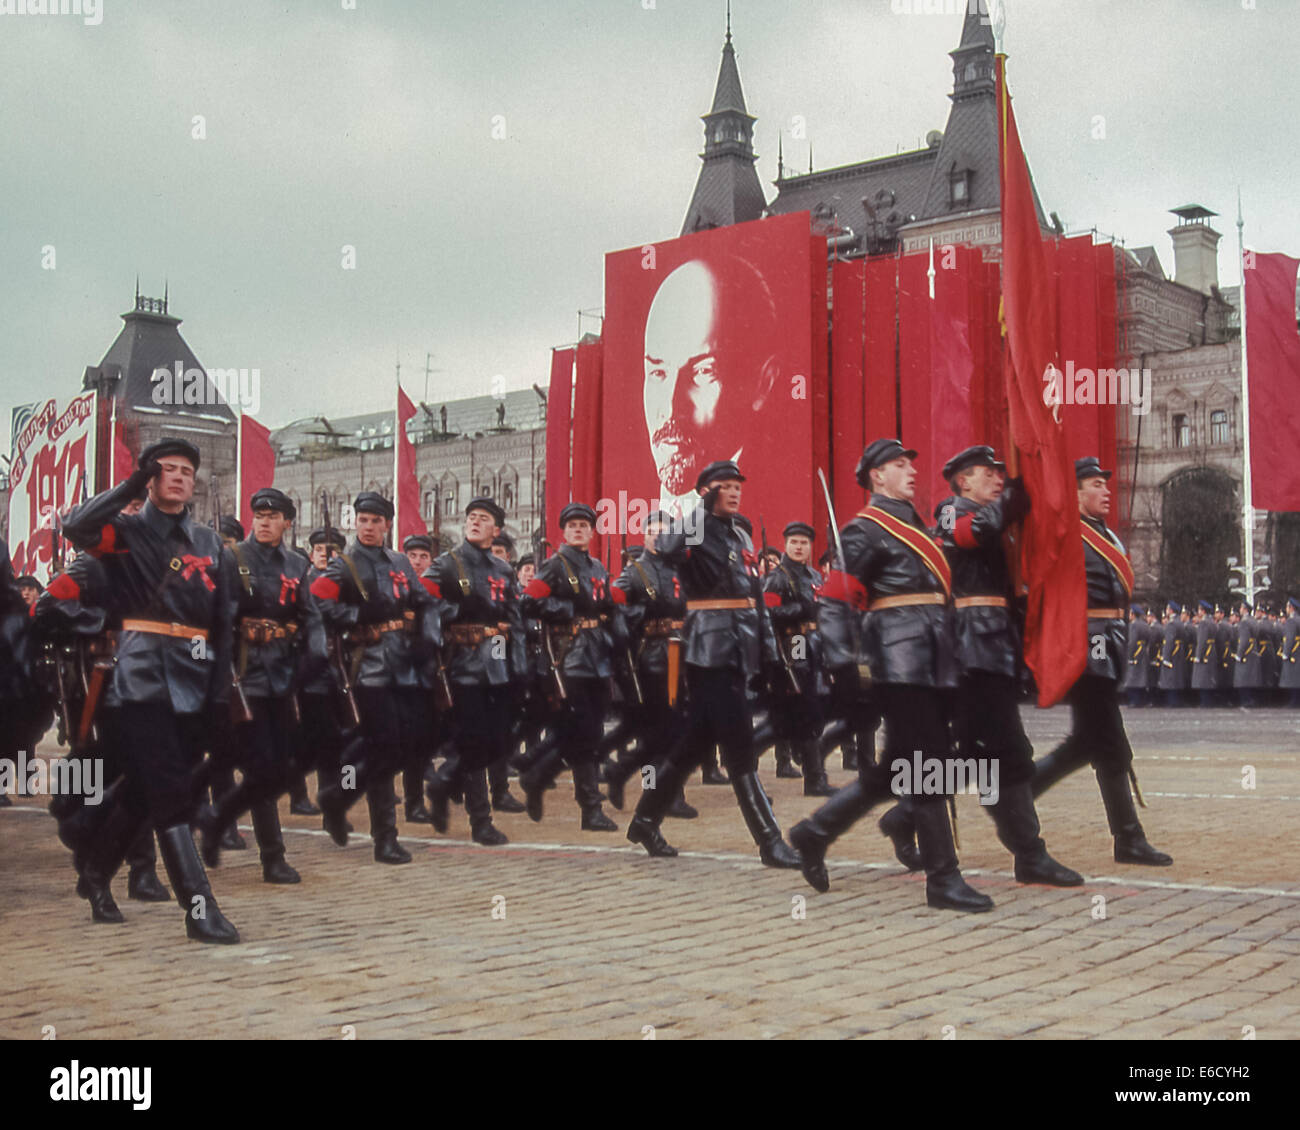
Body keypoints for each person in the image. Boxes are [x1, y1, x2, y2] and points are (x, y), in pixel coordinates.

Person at [871, 446, 1082, 888]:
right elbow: (972, 534)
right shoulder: (952, 512)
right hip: (970, 651)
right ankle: (1029, 854)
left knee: (974, 756)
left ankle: (905, 815)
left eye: (1000, 475)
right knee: (1007, 751)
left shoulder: (1001, 524)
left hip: (992, 648)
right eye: (988, 474)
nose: (998, 480)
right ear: (963, 481)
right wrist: (1013, 500)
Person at [60, 438, 241, 943]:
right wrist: (128, 487)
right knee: (169, 791)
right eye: (167, 470)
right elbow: (75, 526)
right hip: (140, 679)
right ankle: (199, 908)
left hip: (195, 678)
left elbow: (224, 623)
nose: (178, 477)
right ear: (151, 479)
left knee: (143, 794)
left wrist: (221, 689)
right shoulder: (125, 533)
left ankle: (95, 875)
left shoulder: (210, 545)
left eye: (186, 470)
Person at [623, 460, 801, 869]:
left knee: (693, 745)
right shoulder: (695, 529)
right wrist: (699, 510)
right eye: (724, 486)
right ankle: (769, 840)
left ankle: (646, 821)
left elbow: (753, 594)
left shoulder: (740, 536)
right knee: (739, 741)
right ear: (705, 492)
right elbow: (665, 549)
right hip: (709, 649)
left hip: (741, 645)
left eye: (738, 485)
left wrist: (772, 653)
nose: (734, 491)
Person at [1030, 457, 1172, 866]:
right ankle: (1127, 837)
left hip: (1107, 641)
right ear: (1073, 493)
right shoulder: (1065, 533)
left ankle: (1015, 797)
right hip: (1084, 644)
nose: (1106, 491)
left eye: (1105, 485)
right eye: (1095, 484)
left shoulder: (1104, 534)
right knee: (1106, 742)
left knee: (1090, 742)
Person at [197, 488, 326, 885]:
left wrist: (312, 658)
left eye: (273, 516)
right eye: (260, 515)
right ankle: (272, 856)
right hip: (239, 678)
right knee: (260, 765)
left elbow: (311, 617)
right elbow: (212, 619)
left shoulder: (295, 564)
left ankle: (216, 818)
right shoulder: (230, 559)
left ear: (288, 521)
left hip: (281, 679)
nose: (265, 522)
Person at [310, 492, 441, 863]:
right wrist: (356, 616)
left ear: (387, 524)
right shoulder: (343, 566)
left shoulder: (399, 561)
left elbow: (424, 601)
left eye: (375, 521)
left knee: (392, 747)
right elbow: (316, 602)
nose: (367, 527)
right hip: (367, 668)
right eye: (362, 520)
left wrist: (428, 638)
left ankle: (337, 795)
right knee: (384, 747)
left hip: (405, 664)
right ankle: (385, 836)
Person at [641, 258, 782, 520]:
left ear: (763, 384)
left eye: (702, 372)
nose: (672, 407)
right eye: (658, 372)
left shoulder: (774, 508)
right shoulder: (636, 507)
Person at [421, 498, 522, 845]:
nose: (476, 522)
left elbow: (513, 618)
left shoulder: (503, 570)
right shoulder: (447, 565)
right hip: (461, 664)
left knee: (495, 741)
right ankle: (481, 820)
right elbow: (420, 603)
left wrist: (517, 665)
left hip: (495, 661)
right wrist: (452, 613)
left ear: (497, 530)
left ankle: (443, 780)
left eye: (484, 519)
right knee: (474, 739)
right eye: (472, 517)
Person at [518, 503, 623, 831]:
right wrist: (564, 610)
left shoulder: (596, 568)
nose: (579, 530)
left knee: (590, 732)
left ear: (592, 531)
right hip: (570, 658)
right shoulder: (554, 566)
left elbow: (606, 604)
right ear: (564, 531)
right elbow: (528, 602)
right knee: (582, 733)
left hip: (597, 657)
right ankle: (590, 808)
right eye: (573, 525)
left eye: (584, 525)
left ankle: (536, 775)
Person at [762, 521, 834, 797]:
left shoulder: (815, 576)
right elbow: (768, 614)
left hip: (813, 642)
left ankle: (814, 775)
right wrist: (798, 609)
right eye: (794, 542)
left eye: (804, 543)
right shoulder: (777, 577)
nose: (799, 547)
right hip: (794, 644)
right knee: (805, 710)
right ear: (786, 544)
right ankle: (814, 778)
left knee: (813, 709)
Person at [1281, 597, 1300, 708]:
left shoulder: (1291, 620)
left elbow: (1290, 638)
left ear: (1291, 608)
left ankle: (1294, 701)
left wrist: (1286, 653)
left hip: (1294, 652)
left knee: (1292, 678)